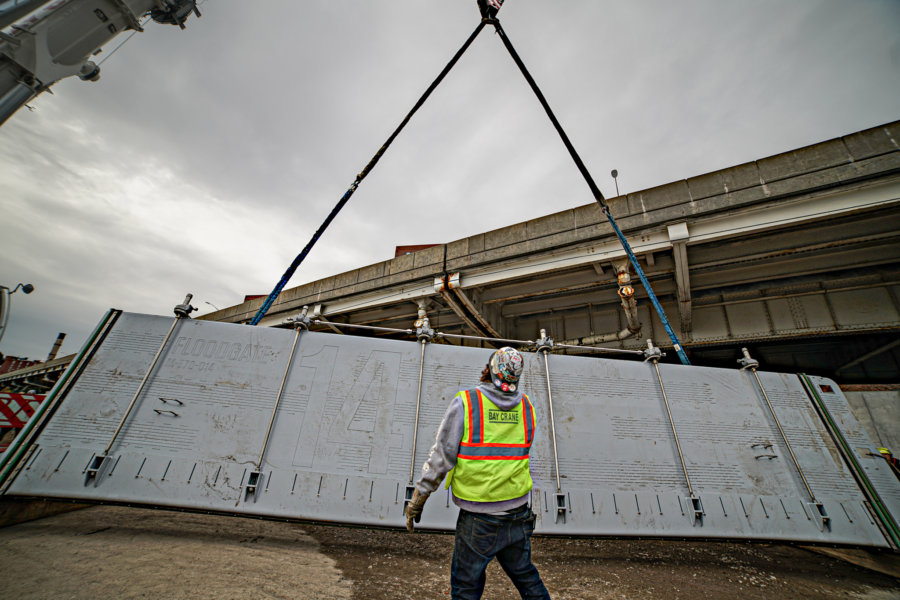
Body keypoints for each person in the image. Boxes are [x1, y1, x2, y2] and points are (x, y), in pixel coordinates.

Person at [405, 347, 551, 600]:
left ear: (490, 369)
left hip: (479, 517)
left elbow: (441, 457)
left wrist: (419, 498)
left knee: (465, 586)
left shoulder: (467, 402)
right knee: (527, 578)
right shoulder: (527, 406)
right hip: (518, 512)